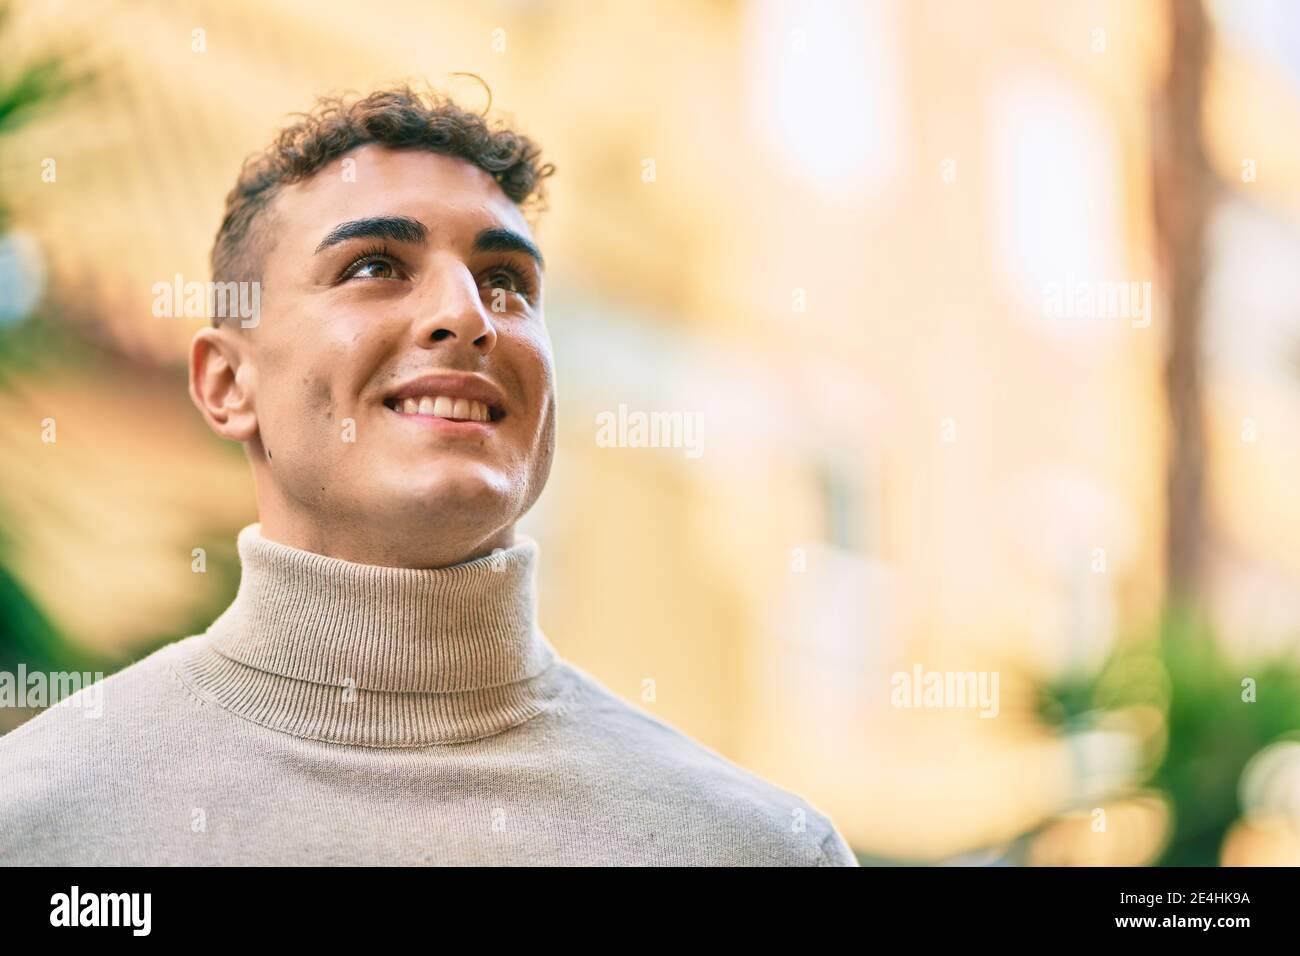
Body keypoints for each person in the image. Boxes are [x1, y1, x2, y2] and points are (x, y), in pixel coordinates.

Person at [0, 86, 857, 866]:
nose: (467, 316)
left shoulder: (753, 850)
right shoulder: (40, 822)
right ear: (228, 384)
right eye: (373, 267)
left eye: (506, 282)